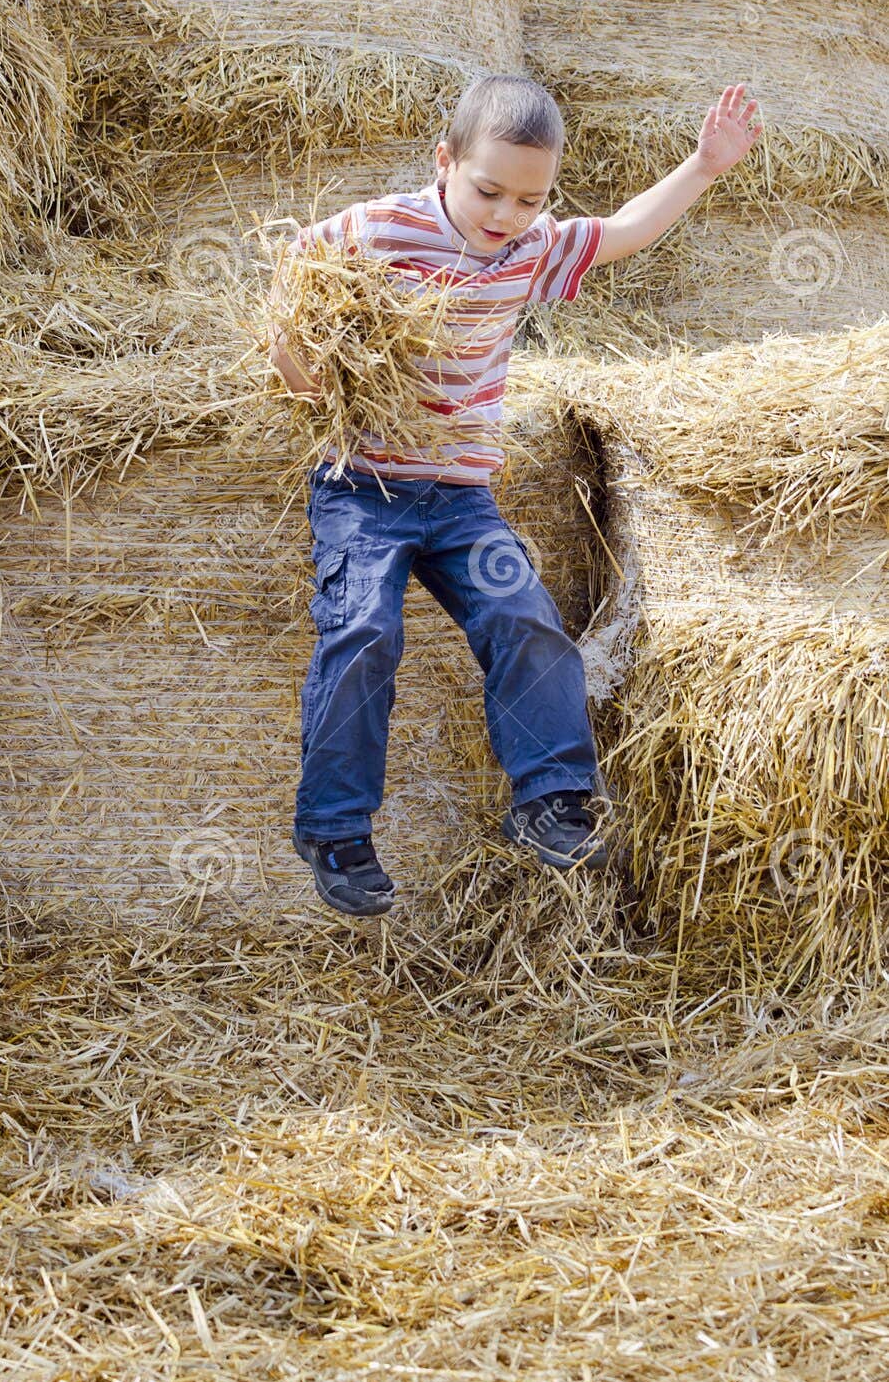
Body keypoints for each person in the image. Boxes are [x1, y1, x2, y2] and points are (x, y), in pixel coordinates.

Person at [269, 74, 762, 917]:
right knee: (364, 629)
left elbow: (624, 232)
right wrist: (300, 366)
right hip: (364, 487)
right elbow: (293, 282)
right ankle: (335, 827)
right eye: (488, 190)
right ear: (445, 162)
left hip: (461, 499)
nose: (503, 214)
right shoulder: (382, 226)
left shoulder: (530, 251)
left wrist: (705, 167)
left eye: (529, 200)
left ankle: (552, 801)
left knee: (524, 616)